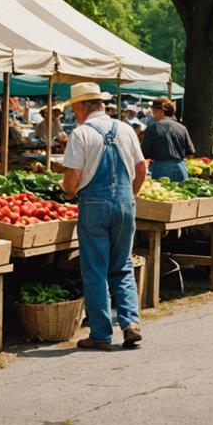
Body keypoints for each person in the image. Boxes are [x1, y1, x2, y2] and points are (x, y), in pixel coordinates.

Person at [60, 83, 146, 351]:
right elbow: (141, 168)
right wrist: (128, 195)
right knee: (122, 266)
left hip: (94, 206)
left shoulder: (81, 133)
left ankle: (100, 333)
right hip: (124, 204)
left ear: (83, 106)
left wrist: (65, 193)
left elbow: (72, 180)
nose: (73, 113)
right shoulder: (125, 129)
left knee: (95, 270)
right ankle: (130, 323)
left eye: (74, 107)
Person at [141, 97, 195, 182]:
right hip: (180, 169)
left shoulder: (152, 128)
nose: (153, 114)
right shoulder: (182, 128)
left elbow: (145, 153)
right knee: (181, 194)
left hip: (160, 170)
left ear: (160, 111)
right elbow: (190, 152)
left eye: (153, 111)